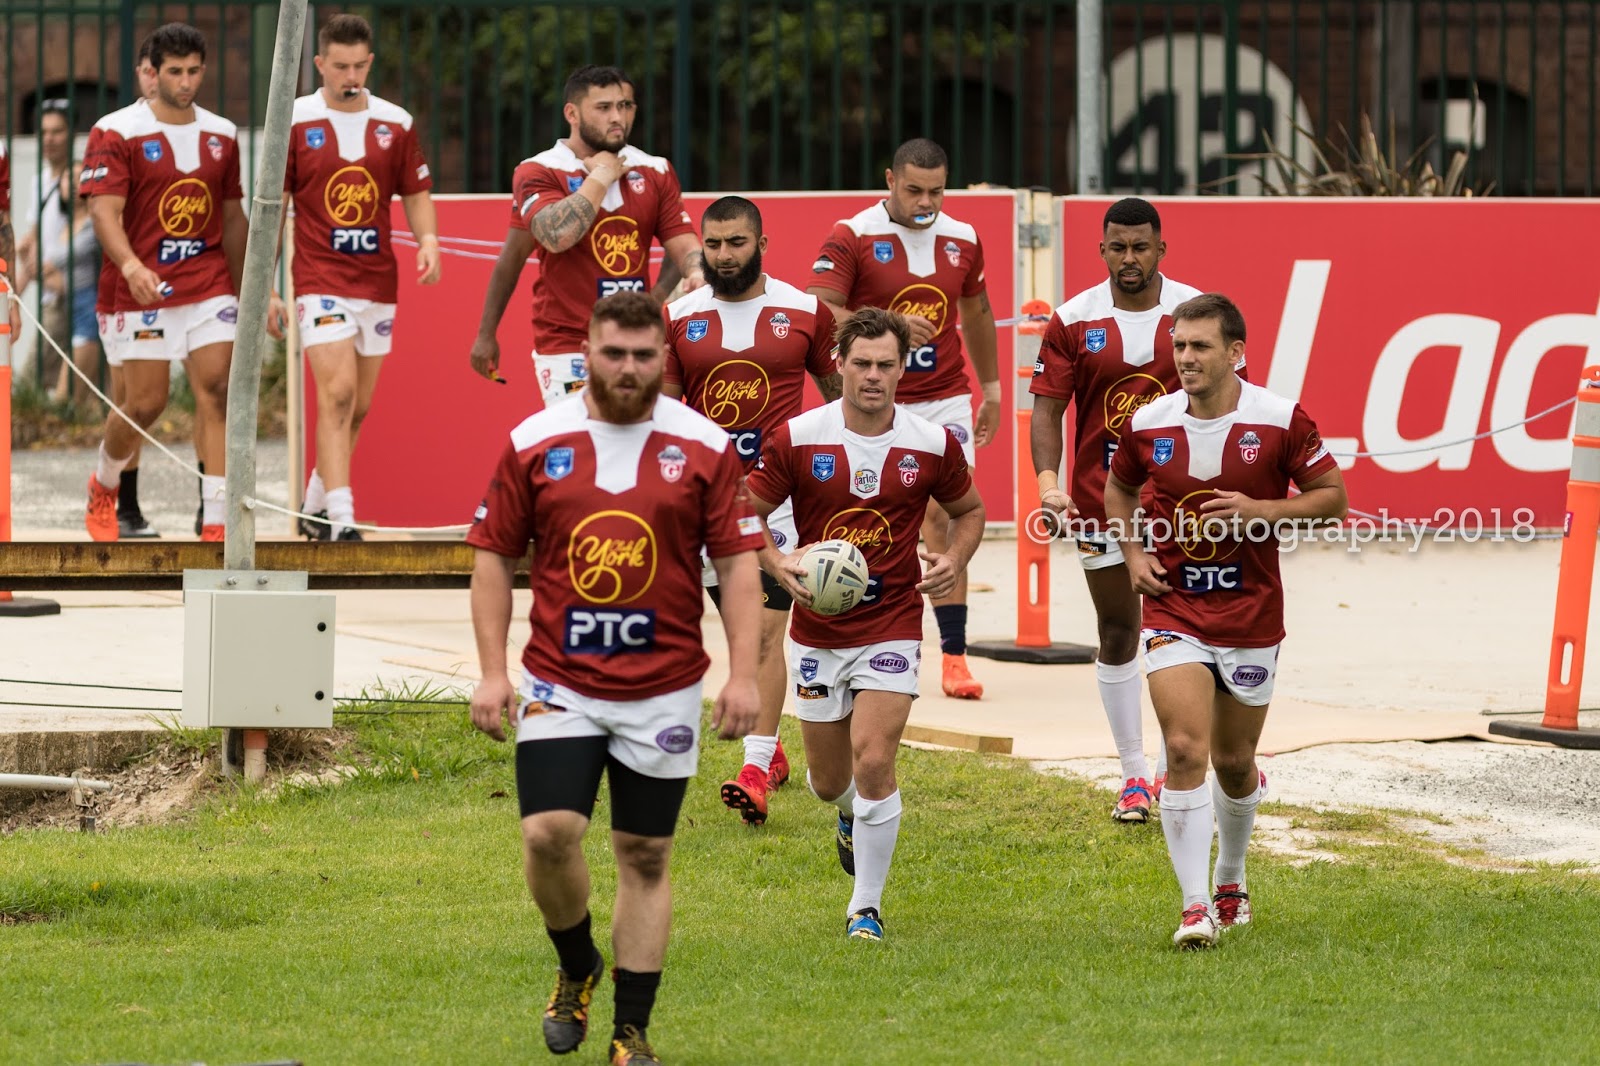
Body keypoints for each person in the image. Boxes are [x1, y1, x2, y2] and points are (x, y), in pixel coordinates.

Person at [467, 291, 763, 1066]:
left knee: (644, 853)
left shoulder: (703, 444)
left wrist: (742, 674)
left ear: (665, 356)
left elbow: (736, 565)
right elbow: (493, 556)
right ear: (587, 353)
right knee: (549, 832)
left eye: (643, 355)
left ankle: (631, 1033)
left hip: (663, 685)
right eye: (613, 353)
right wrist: (493, 673)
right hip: (560, 681)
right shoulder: (537, 439)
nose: (628, 369)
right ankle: (576, 965)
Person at [1103, 293, 1346, 949]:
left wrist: (1262, 512)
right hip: (1173, 607)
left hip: (1250, 614)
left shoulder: (1278, 420)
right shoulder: (1149, 423)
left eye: (1200, 346)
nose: (1185, 358)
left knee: (1234, 762)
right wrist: (1132, 554)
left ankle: (1232, 877)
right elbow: (1118, 489)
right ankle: (1194, 906)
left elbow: (1332, 499)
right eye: (1179, 346)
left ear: (1236, 352)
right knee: (1184, 749)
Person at [746, 307, 986, 942]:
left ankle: (865, 909)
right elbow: (744, 512)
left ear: (902, 369)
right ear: (839, 366)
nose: (874, 376)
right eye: (862, 364)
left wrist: (953, 560)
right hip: (818, 634)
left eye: (886, 365)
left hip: (893, 623)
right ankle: (852, 814)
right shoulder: (799, 437)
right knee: (830, 784)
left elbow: (970, 511)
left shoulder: (931, 443)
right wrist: (778, 558)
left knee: (875, 759)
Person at [1030, 197, 1226, 824]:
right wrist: (1047, 482)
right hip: (1098, 502)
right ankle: (1134, 777)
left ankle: (1195, 760)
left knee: (1199, 633)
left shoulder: (1195, 314)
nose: (1130, 258)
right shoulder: (1073, 318)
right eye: (1118, 247)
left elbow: (1229, 399)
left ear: (1162, 249)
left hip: (1183, 504)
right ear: (1102, 250)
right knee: (1118, 630)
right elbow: (1047, 410)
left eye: (1141, 247)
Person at [661, 195, 841, 827]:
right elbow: (664, 415)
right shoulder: (679, 316)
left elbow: (841, 396)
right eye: (713, 244)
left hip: (780, 507)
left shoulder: (802, 312)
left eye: (736, 243)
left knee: (766, 635)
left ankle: (755, 767)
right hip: (705, 503)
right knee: (740, 633)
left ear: (762, 244)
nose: (724, 255)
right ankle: (773, 745)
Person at [806, 137, 999, 701]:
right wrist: (886, 323)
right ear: (889, 179)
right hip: (874, 403)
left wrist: (989, 388)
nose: (926, 201)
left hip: (945, 399)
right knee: (872, 517)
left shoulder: (963, 238)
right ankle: (858, 629)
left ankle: (956, 656)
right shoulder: (854, 233)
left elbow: (978, 311)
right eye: (914, 189)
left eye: (937, 190)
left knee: (944, 513)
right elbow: (818, 307)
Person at [266, 13, 440, 542]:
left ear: (370, 63)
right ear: (319, 64)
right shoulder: (293, 119)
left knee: (357, 408)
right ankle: (343, 519)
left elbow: (414, 191)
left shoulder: (396, 122)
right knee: (337, 393)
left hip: (377, 281)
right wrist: (269, 285)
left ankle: (315, 506)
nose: (350, 76)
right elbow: (274, 203)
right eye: (339, 66)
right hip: (318, 277)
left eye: (359, 65)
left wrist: (428, 239)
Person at [80, 24, 245, 542]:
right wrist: (130, 265)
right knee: (146, 402)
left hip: (207, 281)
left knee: (217, 389)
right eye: (175, 71)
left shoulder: (222, 133)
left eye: (194, 70)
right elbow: (103, 211)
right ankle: (105, 485)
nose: (186, 81)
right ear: (152, 72)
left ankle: (217, 522)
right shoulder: (117, 130)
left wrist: (253, 292)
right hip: (142, 286)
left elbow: (233, 216)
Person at [469, 65, 704, 407]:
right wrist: (486, 334)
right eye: (604, 107)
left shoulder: (655, 169)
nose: (617, 117)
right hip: (568, 343)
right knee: (582, 448)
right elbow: (547, 240)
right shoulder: (538, 170)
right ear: (572, 113)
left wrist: (693, 273)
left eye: (625, 106)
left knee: (635, 448)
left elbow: (682, 241)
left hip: (635, 337)